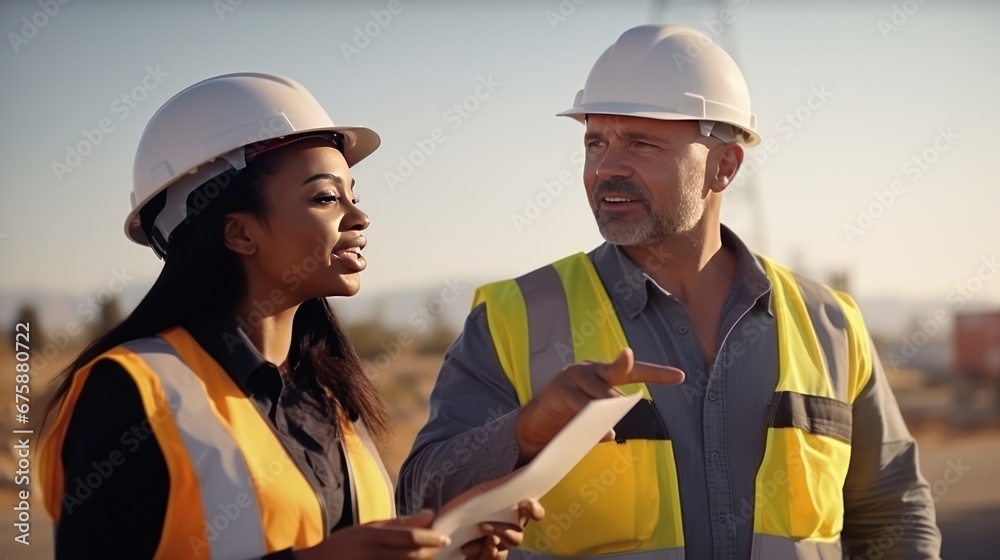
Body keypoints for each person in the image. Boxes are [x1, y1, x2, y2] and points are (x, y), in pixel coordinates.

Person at [397, 25, 942, 559]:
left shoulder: (832, 324)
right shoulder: (513, 317)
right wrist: (524, 431)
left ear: (723, 166)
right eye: (595, 142)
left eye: (641, 143)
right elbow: (420, 496)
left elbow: (893, 511)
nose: (607, 168)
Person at [38, 72, 542, 559]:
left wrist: (446, 546)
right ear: (239, 233)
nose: (360, 217)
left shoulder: (330, 395)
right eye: (325, 197)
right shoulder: (129, 390)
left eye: (353, 196)